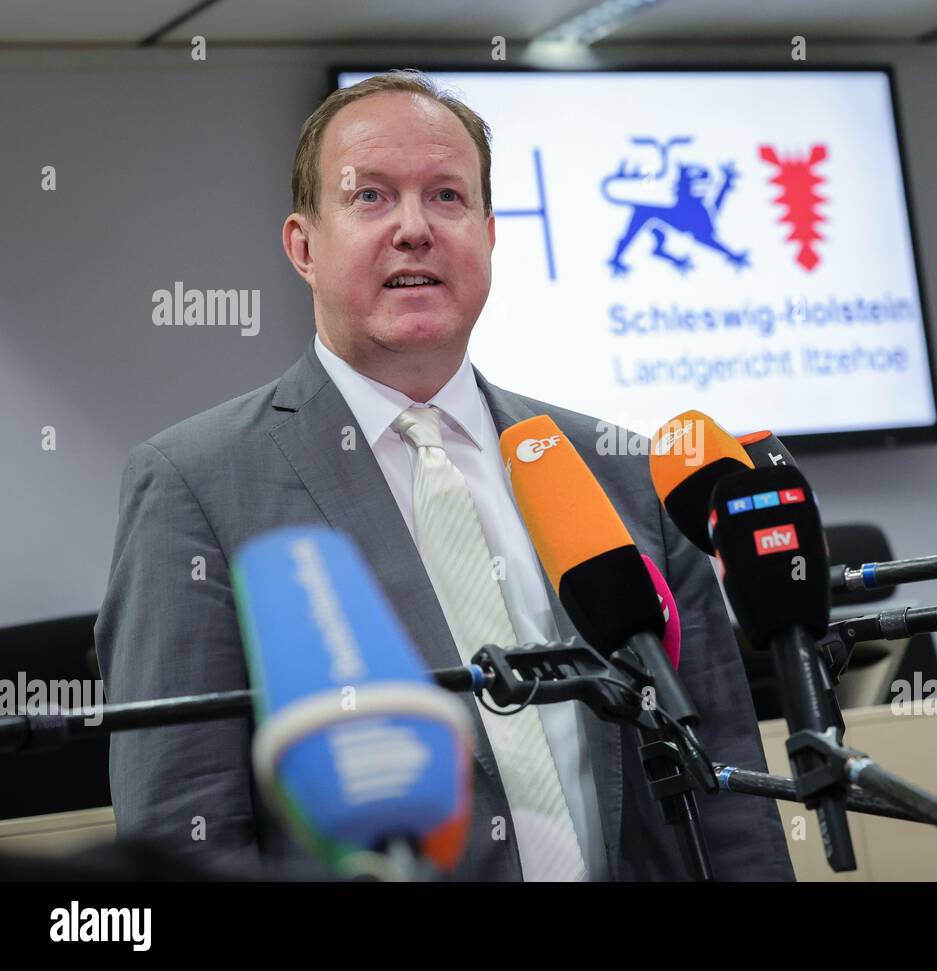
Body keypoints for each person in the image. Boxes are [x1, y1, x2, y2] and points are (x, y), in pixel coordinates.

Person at [95, 69, 794, 881]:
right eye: (370, 197)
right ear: (303, 246)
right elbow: (183, 828)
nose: (415, 229)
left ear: (491, 235)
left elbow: (728, 787)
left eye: (448, 197)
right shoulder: (196, 485)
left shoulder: (619, 468)